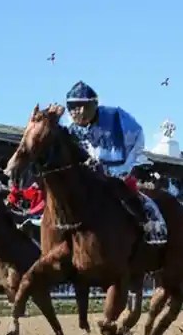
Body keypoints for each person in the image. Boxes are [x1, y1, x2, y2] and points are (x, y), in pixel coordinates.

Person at [64, 81, 165, 242]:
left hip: (121, 163)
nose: (81, 111)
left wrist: (121, 168)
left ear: (95, 105)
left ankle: (151, 224)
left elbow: (137, 136)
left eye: (86, 106)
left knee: (126, 190)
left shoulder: (116, 116)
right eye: (76, 106)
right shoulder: (70, 130)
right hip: (91, 173)